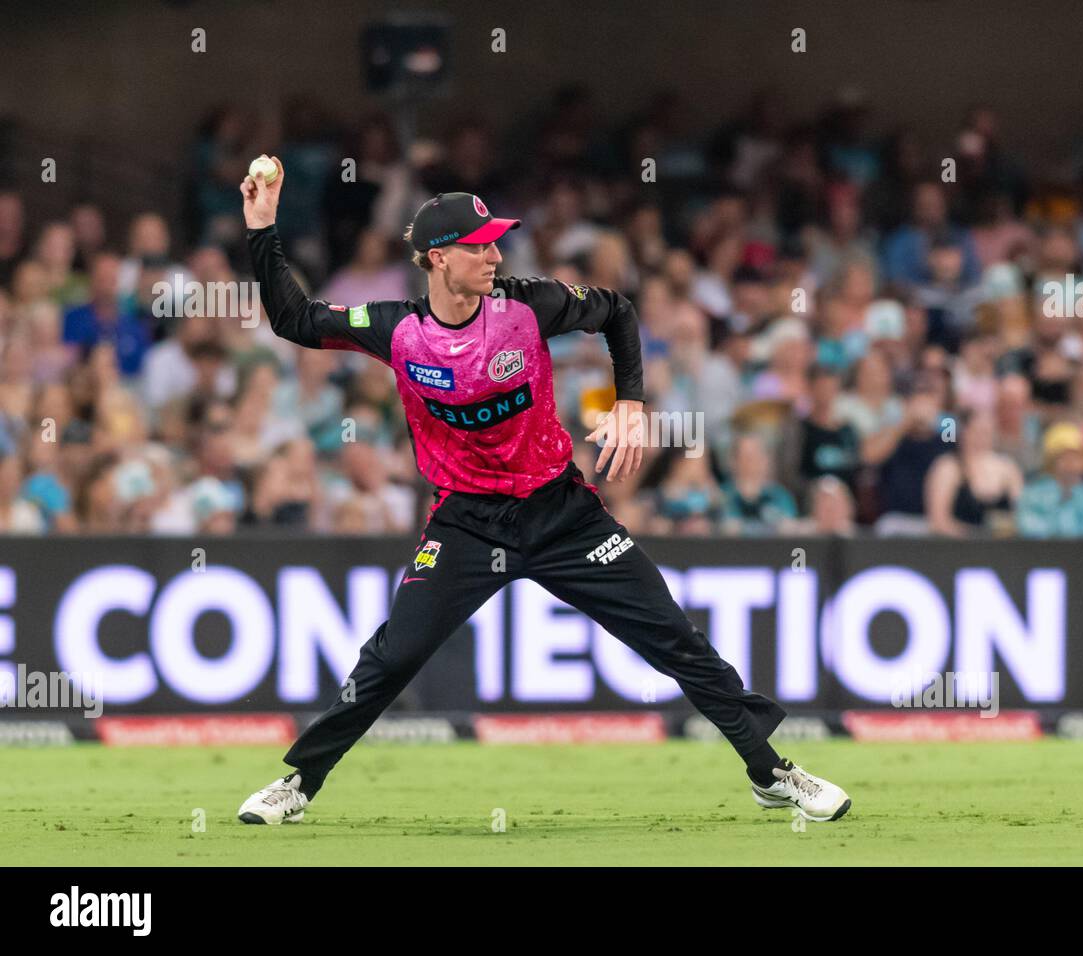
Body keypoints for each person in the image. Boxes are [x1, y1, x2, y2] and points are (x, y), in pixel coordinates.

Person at [235, 159, 849, 826]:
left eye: (496, 241)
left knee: (675, 638)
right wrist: (262, 225)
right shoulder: (395, 329)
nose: (495, 255)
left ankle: (770, 771)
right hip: (466, 524)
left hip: (562, 512)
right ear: (438, 259)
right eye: (479, 246)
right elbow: (296, 319)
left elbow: (618, 310)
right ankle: (298, 782)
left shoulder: (527, 305)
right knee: (393, 656)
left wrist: (630, 404)